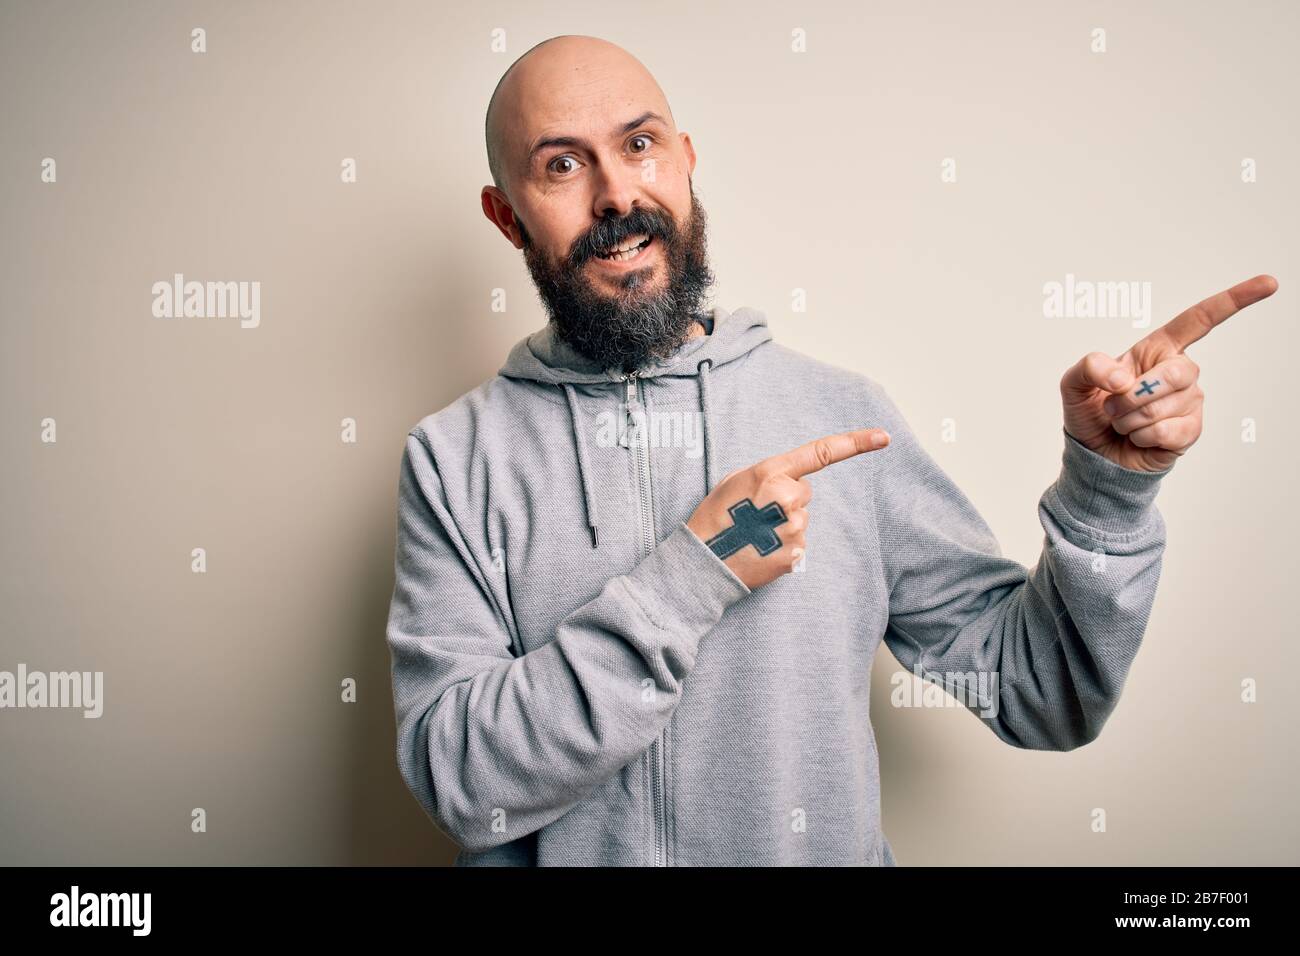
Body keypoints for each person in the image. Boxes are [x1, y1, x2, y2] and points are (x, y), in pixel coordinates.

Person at [384, 34, 1277, 865]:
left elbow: (1044, 695)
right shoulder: (455, 460)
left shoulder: (839, 418)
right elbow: (463, 783)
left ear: (686, 161)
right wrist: (693, 576)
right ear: (507, 217)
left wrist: (1108, 490)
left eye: (641, 144)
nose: (617, 194)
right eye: (563, 164)